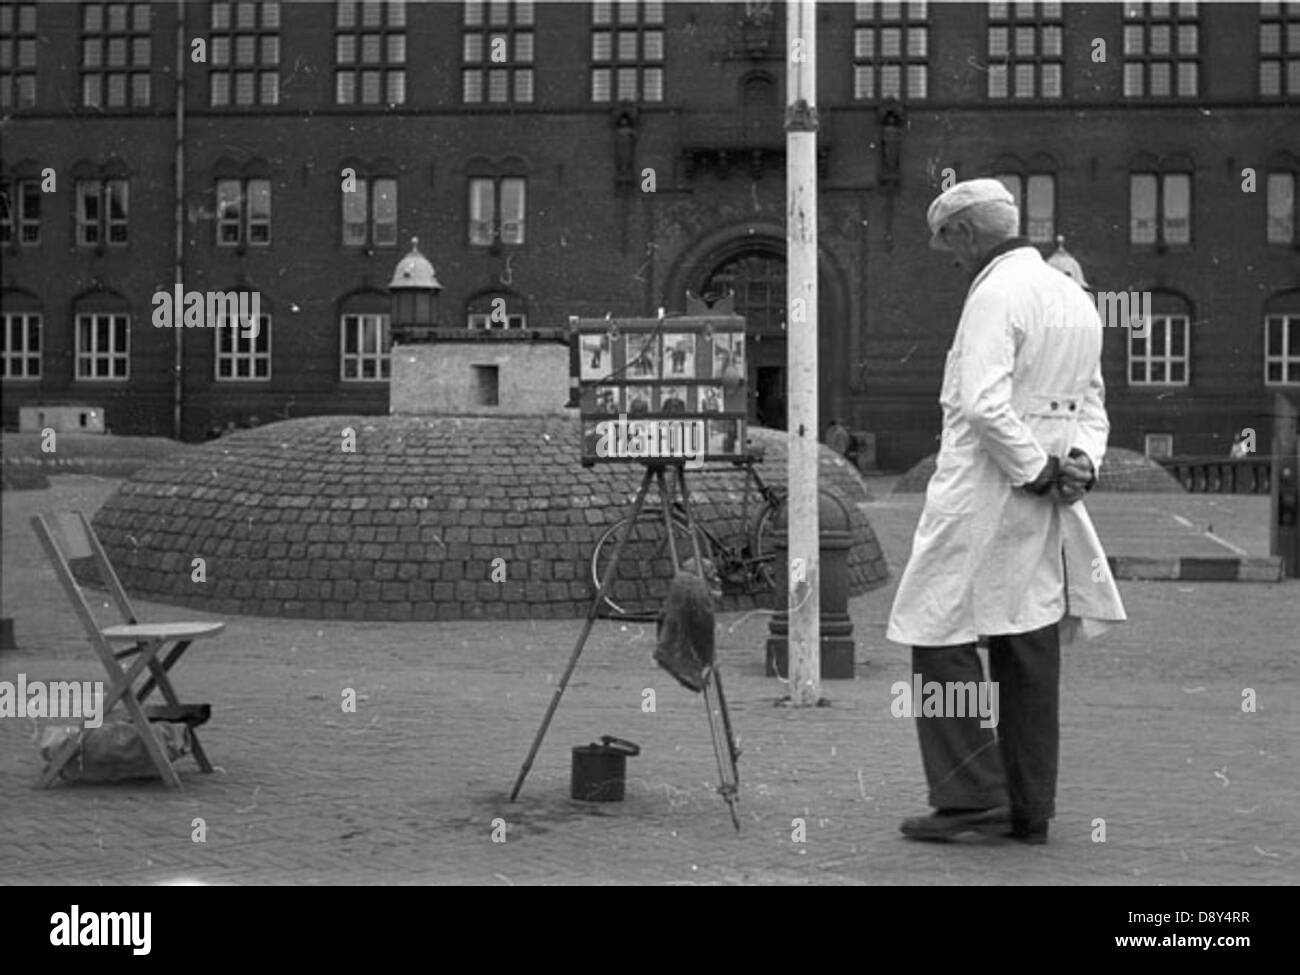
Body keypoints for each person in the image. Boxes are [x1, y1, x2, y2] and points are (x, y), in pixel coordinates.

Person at [887, 178, 1126, 845]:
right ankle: (1029, 804)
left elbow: (982, 404)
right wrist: (1079, 461)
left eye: (948, 243)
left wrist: (1036, 469)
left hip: (982, 497)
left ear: (966, 232)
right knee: (1028, 640)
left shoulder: (994, 293)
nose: (949, 258)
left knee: (934, 630)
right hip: (1046, 506)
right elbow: (1093, 404)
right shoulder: (1074, 299)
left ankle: (971, 795)